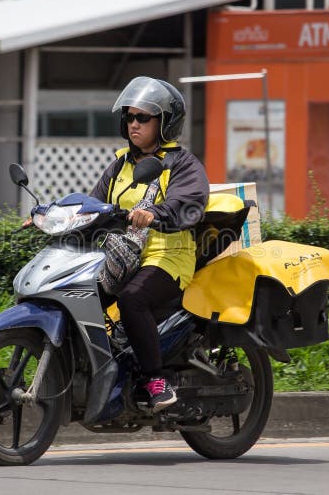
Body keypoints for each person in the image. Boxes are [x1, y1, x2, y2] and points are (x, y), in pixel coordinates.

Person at [90, 76, 209, 412]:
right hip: (122, 255)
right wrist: (53, 215)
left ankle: (157, 382)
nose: (134, 124)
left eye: (143, 117)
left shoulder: (182, 163)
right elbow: (94, 203)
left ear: (165, 122)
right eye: (129, 116)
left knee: (133, 299)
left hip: (167, 257)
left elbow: (189, 203)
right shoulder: (120, 164)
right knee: (78, 294)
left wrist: (154, 213)